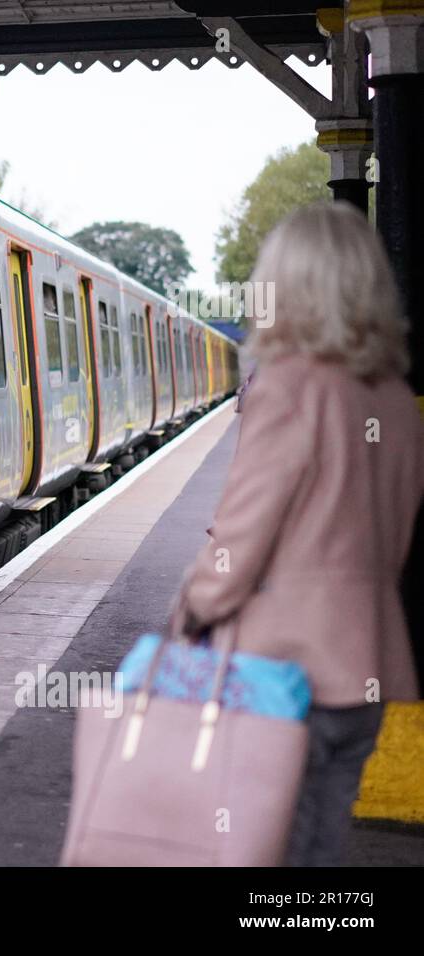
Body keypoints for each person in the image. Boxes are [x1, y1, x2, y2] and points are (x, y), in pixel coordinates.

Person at [169, 201, 424, 866]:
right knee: (316, 859)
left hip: (281, 676)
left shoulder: (289, 388)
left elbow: (238, 543)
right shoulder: (395, 400)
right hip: (361, 677)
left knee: (257, 859)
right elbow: (391, 540)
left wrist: (192, 610)